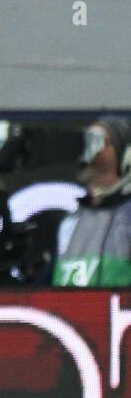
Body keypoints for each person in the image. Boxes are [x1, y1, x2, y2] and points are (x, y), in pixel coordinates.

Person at [52, 115, 131, 287]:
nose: (87, 150)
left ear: (124, 155)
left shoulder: (127, 216)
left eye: (97, 141)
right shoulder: (70, 221)